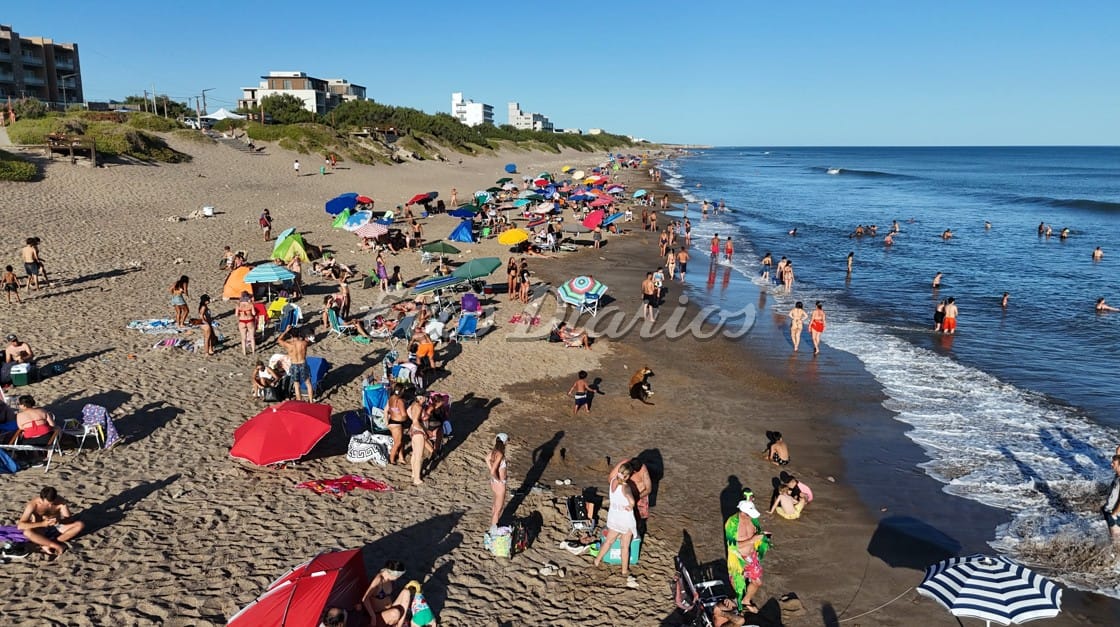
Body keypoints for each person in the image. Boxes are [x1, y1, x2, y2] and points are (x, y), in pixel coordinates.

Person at [594, 461, 639, 587]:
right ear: (628, 476)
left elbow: (614, 474)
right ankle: (624, 571)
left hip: (614, 517)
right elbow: (631, 500)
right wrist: (631, 506)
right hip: (625, 520)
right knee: (625, 547)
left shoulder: (613, 480)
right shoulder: (625, 486)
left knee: (608, 541)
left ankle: (597, 561)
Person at [725, 499, 767, 613]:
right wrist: (751, 540)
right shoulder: (732, 523)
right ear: (743, 512)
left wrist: (763, 540)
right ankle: (738, 601)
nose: (752, 517)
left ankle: (746, 600)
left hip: (751, 556)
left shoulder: (753, 520)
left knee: (757, 582)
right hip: (737, 557)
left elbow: (758, 534)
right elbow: (732, 546)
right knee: (738, 584)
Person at [17, 487, 85, 556]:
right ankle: (57, 546)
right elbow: (20, 525)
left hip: (57, 526)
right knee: (27, 532)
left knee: (80, 525)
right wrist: (42, 524)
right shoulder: (33, 504)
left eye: (52, 503)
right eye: (47, 503)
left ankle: (49, 543)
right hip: (40, 528)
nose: (50, 505)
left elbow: (69, 519)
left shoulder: (61, 502)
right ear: (41, 499)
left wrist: (59, 521)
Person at [361, 560, 413, 627]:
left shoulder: (389, 579)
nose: (399, 577)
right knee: (395, 613)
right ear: (393, 574)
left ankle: (399, 625)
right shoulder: (378, 580)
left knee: (406, 592)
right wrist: (372, 616)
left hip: (389, 610)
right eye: (399, 575)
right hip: (378, 616)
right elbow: (365, 599)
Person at [611, 456, 653, 533]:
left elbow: (648, 489)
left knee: (639, 519)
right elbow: (611, 479)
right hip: (625, 496)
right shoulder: (623, 466)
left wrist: (636, 497)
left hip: (639, 495)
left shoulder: (643, 469)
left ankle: (637, 532)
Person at [278, 326, 313, 402]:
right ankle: (311, 401)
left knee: (296, 384)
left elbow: (279, 340)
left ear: (291, 335)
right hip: (303, 363)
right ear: (299, 334)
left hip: (294, 364)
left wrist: (286, 331)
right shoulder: (304, 343)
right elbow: (310, 341)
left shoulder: (289, 345)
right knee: (308, 383)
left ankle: (299, 400)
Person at [488, 433, 509, 532]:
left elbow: (486, 459)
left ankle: (493, 525)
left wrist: (493, 474)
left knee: (495, 506)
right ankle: (494, 530)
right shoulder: (500, 454)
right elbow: (493, 471)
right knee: (498, 509)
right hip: (499, 484)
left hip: (493, 483)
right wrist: (498, 480)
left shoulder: (494, 452)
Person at [386, 384, 410, 465]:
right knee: (398, 442)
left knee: (399, 441)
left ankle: (401, 457)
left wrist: (386, 421)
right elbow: (403, 415)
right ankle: (391, 459)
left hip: (392, 421)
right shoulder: (400, 401)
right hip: (398, 423)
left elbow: (387, 410)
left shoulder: (391, 398)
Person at [1104, 455, 1120, 545]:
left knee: (1116, 541)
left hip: (1114, 513)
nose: (1111, 464)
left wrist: (1114, 513)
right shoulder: (1117, 475)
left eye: (1113, 463)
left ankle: (1115, 558)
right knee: (1114, 539)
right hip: (1110, 510)